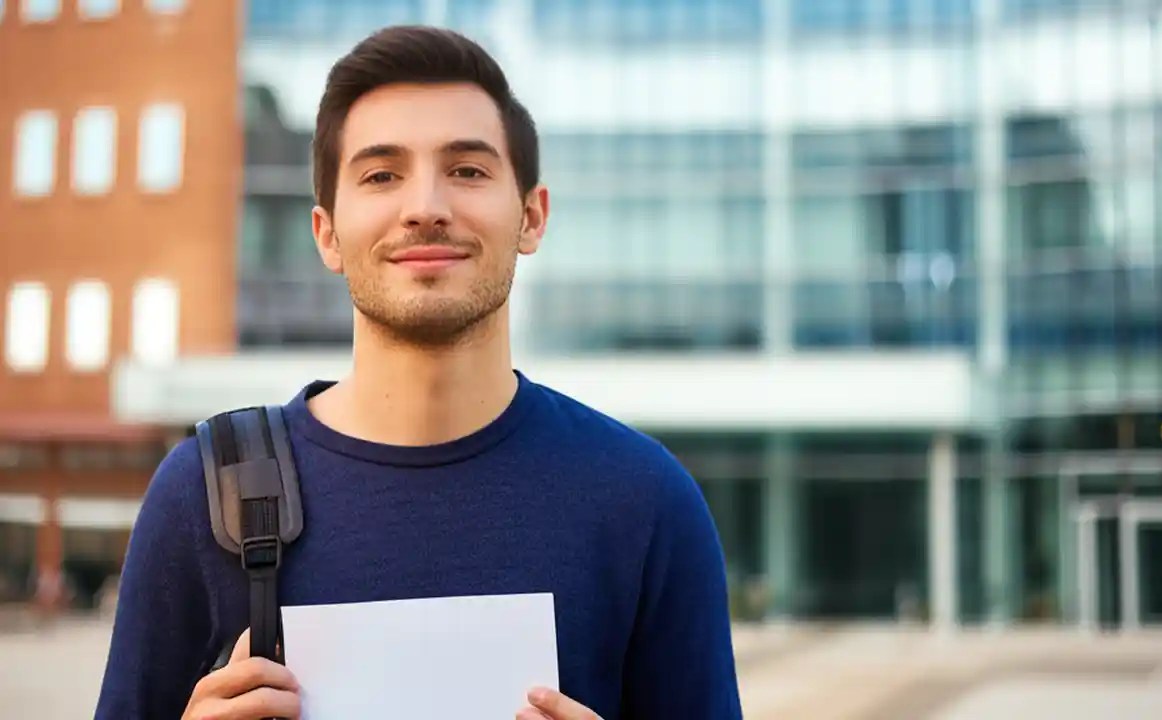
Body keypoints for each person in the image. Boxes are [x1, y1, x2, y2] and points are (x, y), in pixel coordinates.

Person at [93, 24, 742, 720]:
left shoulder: (645, 503)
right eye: (381, 175)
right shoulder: (201, 494)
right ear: (327, 234)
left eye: (467, 170)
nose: (426, 206)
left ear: (530, 216)